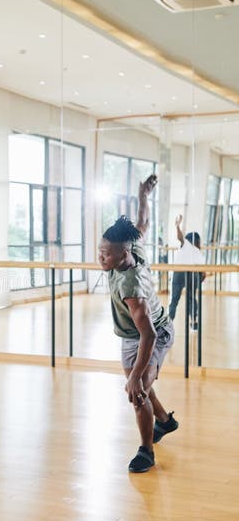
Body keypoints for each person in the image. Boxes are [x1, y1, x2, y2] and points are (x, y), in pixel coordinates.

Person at [98, 174, 178, 473]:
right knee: (140, 386)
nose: (100, 258)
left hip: (155, 333)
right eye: (100, 250)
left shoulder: (132, 288)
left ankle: (146, 452)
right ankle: (164, 421)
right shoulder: (134, 247)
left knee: (139, 389)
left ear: (123, 253)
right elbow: (143, 222)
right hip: (132, 336)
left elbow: (150, 335)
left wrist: (135, 377)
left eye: (106, 254)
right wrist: (143, 194)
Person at [168, 215, 206, 330]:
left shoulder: (188, 246)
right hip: (192, 274)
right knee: (191, 298)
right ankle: (193, 321)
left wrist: (177, 226)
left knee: (174, 299)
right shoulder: (196, 250)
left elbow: (180, 237)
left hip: (179, 273)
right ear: (197, 241)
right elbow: (203, 273)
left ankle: (169, 322)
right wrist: (199, 280)